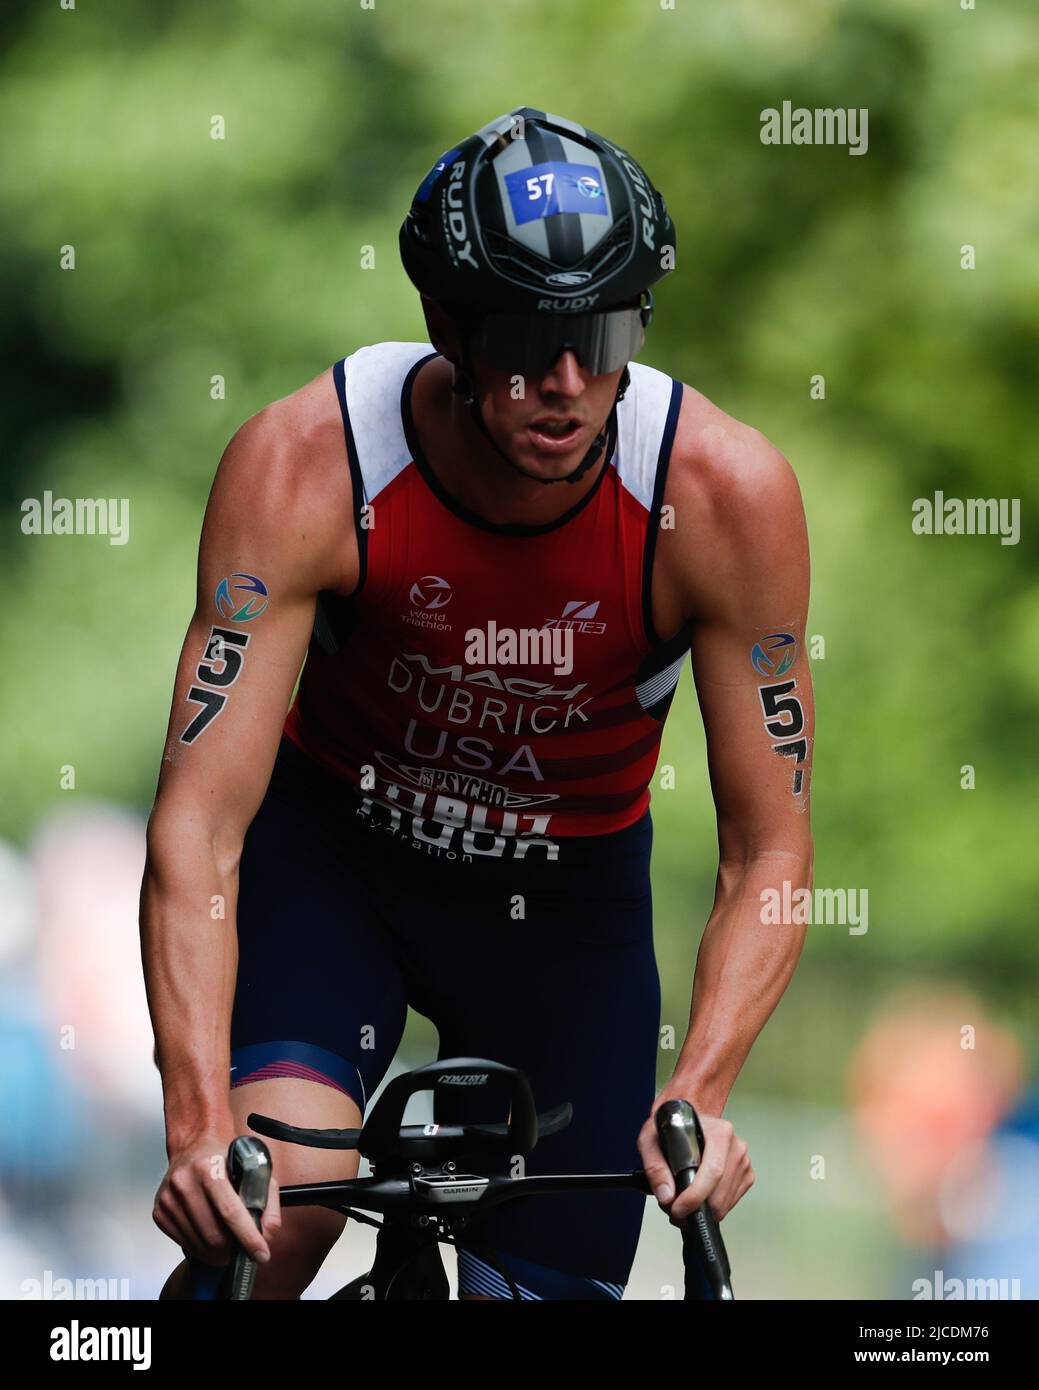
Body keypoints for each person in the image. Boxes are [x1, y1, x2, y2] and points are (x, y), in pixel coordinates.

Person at [141, 106, 814, 1301]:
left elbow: (769, 850)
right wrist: (196, 1122)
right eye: (524, 338)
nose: (565, 382)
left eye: (602, 336)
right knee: (263, 1221)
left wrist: (701, 1088)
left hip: (564, 920)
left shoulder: (721, 494)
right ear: (444, 323)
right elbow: (199, 825)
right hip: (336, 874)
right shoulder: (309, 461)